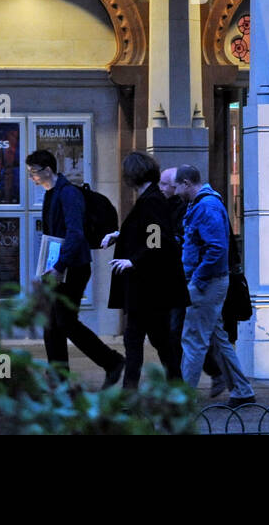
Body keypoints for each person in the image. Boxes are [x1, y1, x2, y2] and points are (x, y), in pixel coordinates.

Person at [29, 148, 124, 386]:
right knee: (52, 321)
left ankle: (111, 361)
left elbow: (75, 233)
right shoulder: (52, 193)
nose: (32, 177)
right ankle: (58, 376)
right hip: (61, 266)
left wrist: (60, 266)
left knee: (65, 322)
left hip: (73, 267)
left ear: (48, 170)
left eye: (34, 172)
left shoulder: (68, 194)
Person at [102, 152, 187, 389]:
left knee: (136, 339)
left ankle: (131, 392)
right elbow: (150, 233)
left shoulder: (150, 200)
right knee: (158, 340)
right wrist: (120, 235)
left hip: (147, 286)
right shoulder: (152, 198)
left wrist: (134, 261)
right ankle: (174, 388)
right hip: (151, 287)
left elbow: (157, 238)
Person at [175, 164, 255, 407]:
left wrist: (197, 281)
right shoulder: (202, 204)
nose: (176, 191)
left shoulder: (206, 206)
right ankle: (242, 391)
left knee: (192, 340)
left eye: (177, 186)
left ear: (186, 183)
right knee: (218, 339)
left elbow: (216, 250)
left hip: (206, 284)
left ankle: (182, 400)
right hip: (210, 282)